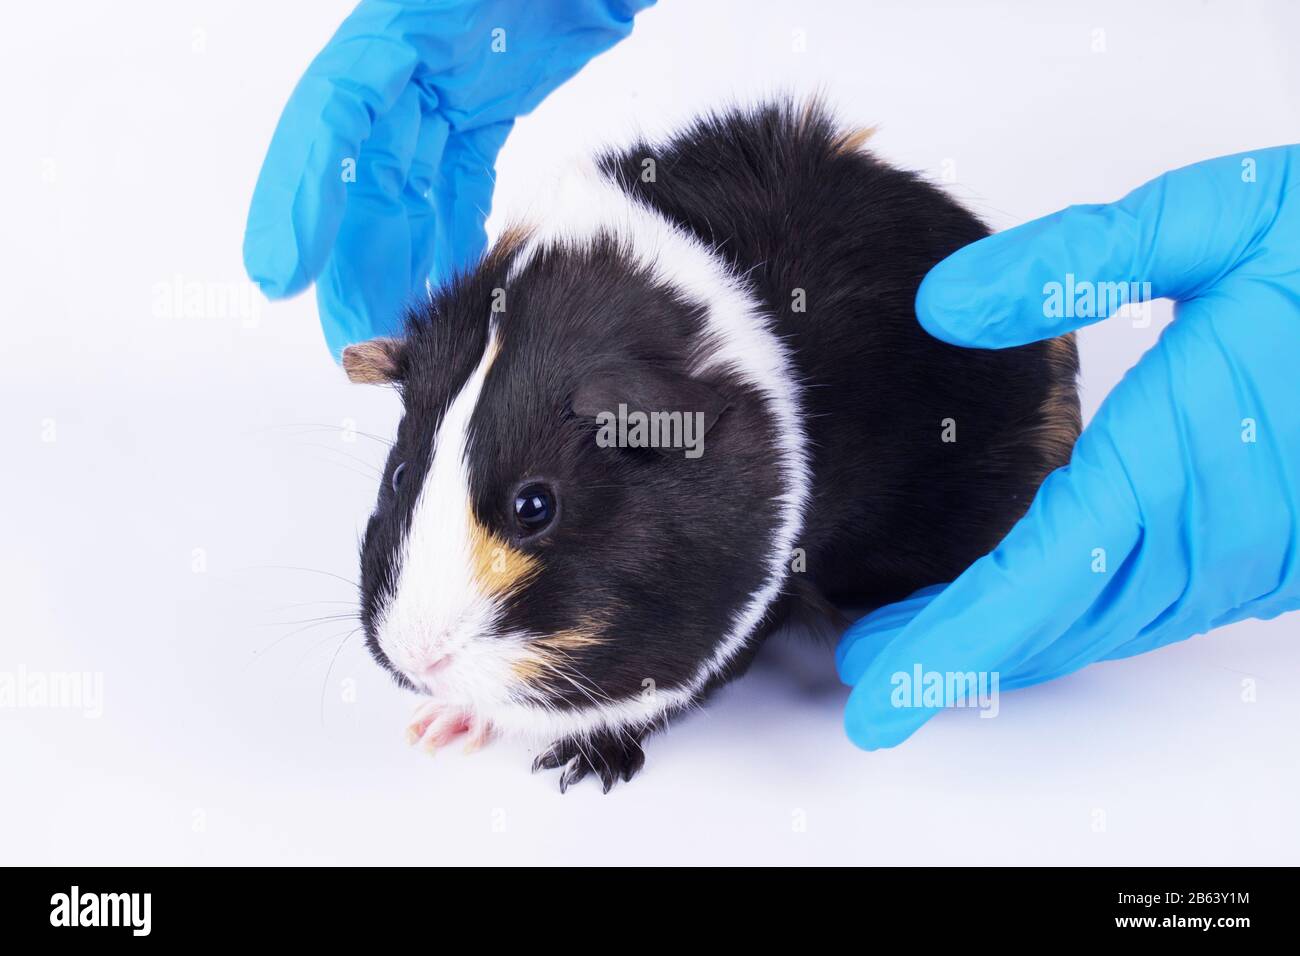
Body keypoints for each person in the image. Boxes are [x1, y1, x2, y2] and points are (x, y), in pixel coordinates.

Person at [244, 0, 1300, 750]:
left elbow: (697, 607)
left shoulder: (698, 442)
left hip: (952, 404)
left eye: (530, 507)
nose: (413, 639)